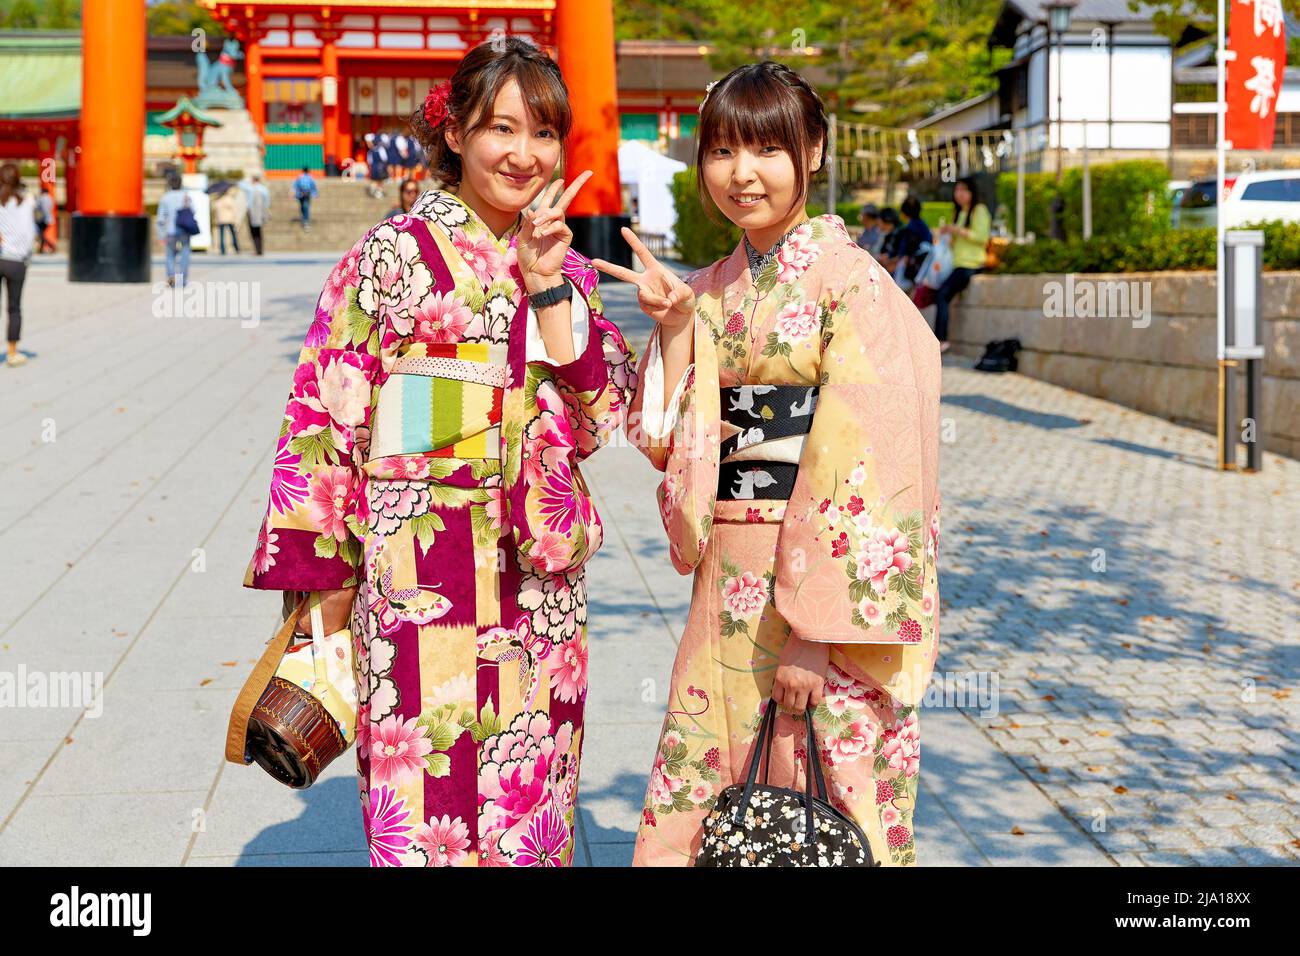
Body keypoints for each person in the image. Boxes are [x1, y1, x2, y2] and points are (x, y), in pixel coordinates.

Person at [241, 36, 636, 868]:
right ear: (454, 133)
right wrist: (325, 590)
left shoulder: (569, 266)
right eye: (501, 128)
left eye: (543, 134)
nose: (523, 155)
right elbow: (326, 420)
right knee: (424, 808)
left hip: (539, 582)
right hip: (418, 570)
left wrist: (550, 291)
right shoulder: (390, 256)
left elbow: (602, 416)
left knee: (535, 806)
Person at [593, 60, 942, 867]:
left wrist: (819, 632)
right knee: (718, 790)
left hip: (818, 590)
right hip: (728, 580)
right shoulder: (707, 290)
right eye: (722, 151)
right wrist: (679, 331)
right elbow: (658, 438)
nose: (741, 174)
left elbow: (872, 456)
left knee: (826, 798)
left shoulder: (854, 285)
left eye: (767, 150)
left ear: (813, 152)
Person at [933, 176, 991, 353]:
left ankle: (941, 339)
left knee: (942, 294)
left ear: (972, 193)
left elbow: (981, 237)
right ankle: (940, 339)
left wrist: (957, 230)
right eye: (957, 190)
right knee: (940, 292)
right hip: (958, 264)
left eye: (963, 190)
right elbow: (956, 243)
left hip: (971, 264)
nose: (959, 194)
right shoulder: (958, 213)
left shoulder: (979, 210)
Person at [0, 162, 37, 367]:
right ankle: (12, 352)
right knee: (14, 308)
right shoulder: (26, 201)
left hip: (0, 255)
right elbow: (29, 232)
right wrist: (25, 254)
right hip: (16, 262)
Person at [154, 169, 193, 288]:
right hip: (184, 229)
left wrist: (161, 235)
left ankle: (171, 279)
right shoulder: (186, 196)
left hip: (170, 231)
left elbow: (161, 218)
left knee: (170, 255)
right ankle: (182, 279)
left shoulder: (166, 198)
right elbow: (193, 211)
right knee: (185, 254)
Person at [894, 194, 933, 290]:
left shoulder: (910, 228)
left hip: (914, 267)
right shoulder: (923, 225)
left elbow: (906, 251)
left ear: (904, 212)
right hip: (924, 265)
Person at [243, 171, 271, 255]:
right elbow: (267, 202)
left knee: (254, 231)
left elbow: (241, 184)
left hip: (253, 212)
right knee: (258, 231)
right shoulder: (263, 188)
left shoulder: (250, 188)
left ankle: (257, 249)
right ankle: (259, 249)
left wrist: (247, 180)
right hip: (260, 212)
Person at [213, 184, 241, 254]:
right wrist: (235, 219)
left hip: (221, 219)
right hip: (229, 219)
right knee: (233, 234)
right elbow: (234, 209)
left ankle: (223, 250)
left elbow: (216, 208)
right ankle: (236, 248)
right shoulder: (230, 199)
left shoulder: (218, 200)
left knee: (222, 235)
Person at [292, 165, 318, 230]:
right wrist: (315, 194)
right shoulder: (310, 178)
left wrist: (294, 193)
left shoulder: (300, 177)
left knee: (303, 207)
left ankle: (305, 220)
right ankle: (305, 220)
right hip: (307, 194)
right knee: (305, 207)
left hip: (300, 194)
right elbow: (313, 186)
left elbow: (295, 186)